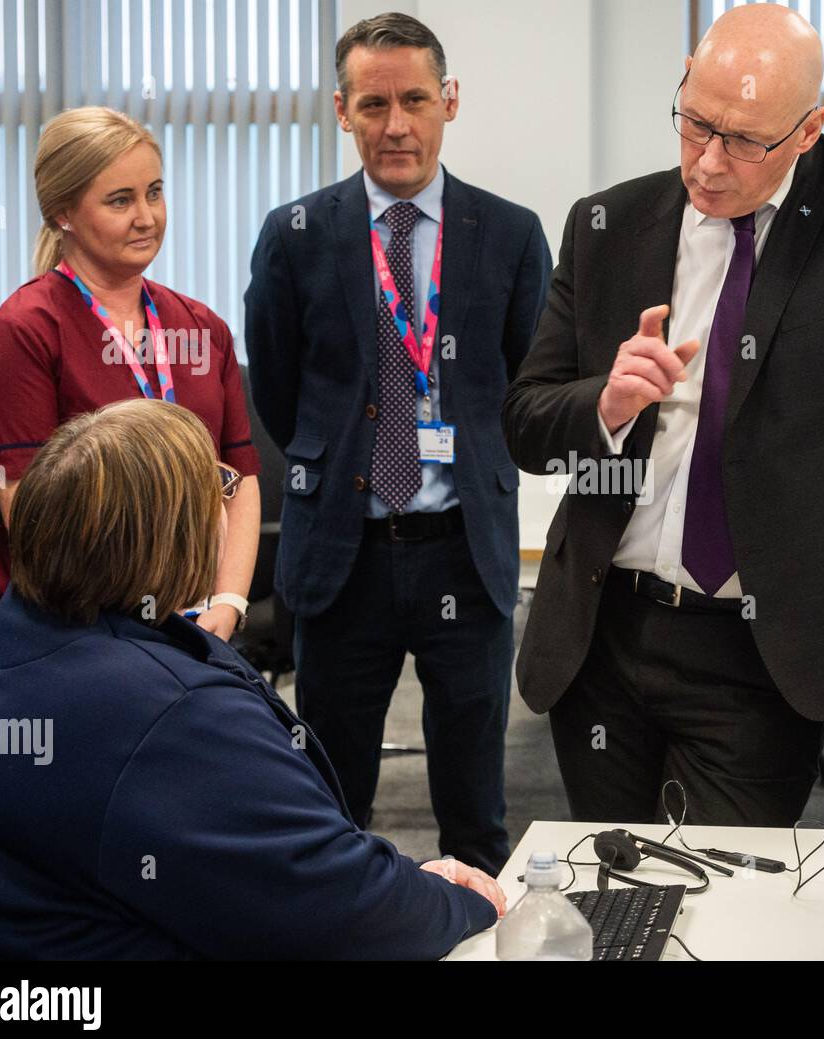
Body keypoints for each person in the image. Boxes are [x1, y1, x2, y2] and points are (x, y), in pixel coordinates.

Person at [502, 5, 824, 826]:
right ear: (684, 80)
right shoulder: (606, 224)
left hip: (763, 644)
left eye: (744, 141)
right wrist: (605, 404)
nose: (709, 162)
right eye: (695, 125)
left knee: (721, 901)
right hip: (606, 634)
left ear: (809, 129)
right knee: (607, 891)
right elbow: (526, 422)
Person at [0, 399, 504, 959]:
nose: (226, 503)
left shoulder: (9, 648)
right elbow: (342, 910)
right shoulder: (166, 712)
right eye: (217, 485)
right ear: (171, 532)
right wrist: (461, 899)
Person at [245, 13, 551, 873]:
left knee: (477, 816)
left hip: (465, 552)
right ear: (342, 111)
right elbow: (276, 388)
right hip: (344, 558)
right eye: (372, 103)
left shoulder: (511, 234)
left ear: (448, 101)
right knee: (331, 807)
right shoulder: (296, 236)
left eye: (415, 99)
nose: (396, 124)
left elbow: (527, 390)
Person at [0, 106, 259, 641]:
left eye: (154, 192)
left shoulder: (201, 327)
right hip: (80, 631)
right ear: (62, 213)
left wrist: (229, 602)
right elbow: (33, 516)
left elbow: (238, 479)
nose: (146, 216)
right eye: (120, 200)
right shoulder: (23, 332)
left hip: (200, 625)